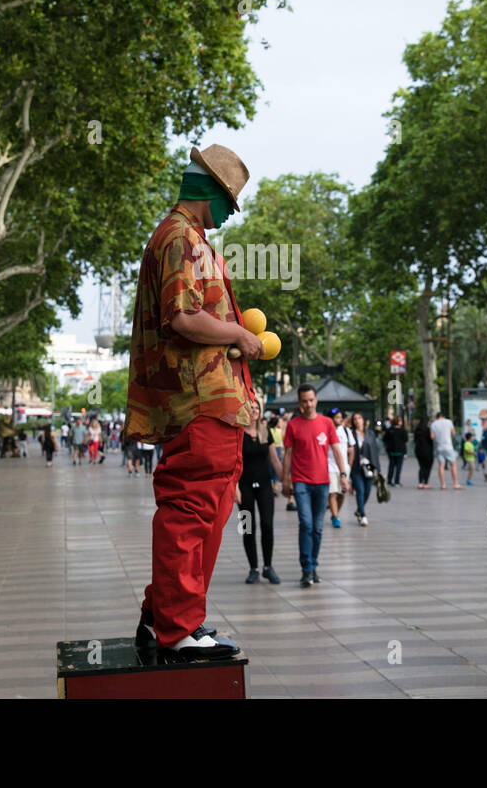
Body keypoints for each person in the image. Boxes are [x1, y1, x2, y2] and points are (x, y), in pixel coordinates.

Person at [125, 145, 257, 662]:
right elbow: (182, 317)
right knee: (191, 510)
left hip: (215, 402)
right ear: (210, 193)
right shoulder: (181, 236)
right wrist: (239, 336)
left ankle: (162, 616)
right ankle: (180, 629)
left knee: (212, 508)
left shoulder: (183, 237)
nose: (227, 214)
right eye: (228, 203)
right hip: (199, 399)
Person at [281, 384, 349, 587]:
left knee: (318, 528)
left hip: (322, 482)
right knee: (306, 524)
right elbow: (288, 454)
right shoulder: (293, 425)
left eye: (311, 400)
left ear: (316, 400)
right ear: (300, 403)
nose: (308, 404)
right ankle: (306, 568)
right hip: (301, 481)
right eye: (304, 401)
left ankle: (313, 565)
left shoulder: (327, 423)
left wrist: (343, 474)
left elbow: (336, 450)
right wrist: (286, 479)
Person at [238, 399, 282, 584]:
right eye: (251, 408)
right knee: (248, 527)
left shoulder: (265, 432)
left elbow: (274, 460)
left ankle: (268, 567)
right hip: (244, 487)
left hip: (265, 486)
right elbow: (233, 463)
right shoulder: (238, 434)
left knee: (267, 524)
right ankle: (253, 568)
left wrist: (285, 482)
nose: (254, 411)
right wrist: (233, 489)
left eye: (257, 408)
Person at [347, 411, 379, 525]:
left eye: (359, 418)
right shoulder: (351, 434)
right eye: (355, 419)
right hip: (355, 467)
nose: (357, 420)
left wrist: (377, 469)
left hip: (368, 466)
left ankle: (359, 509)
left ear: (363, 420)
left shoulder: (370, 433)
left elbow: (375, 451)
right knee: (359, 490)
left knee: (367, 491)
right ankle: (363, 514)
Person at [327, 409, 354, 527]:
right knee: (332, 492)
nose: (339, 419)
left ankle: (335, 512)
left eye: (340, 417)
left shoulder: (346, 431)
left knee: (342, 493)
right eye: (336, 417)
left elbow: (352, 450)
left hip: (344, 467)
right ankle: (336, 517)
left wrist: (349, 466)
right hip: (330, 465)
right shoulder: (327, 430)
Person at [429, 411, 460, 490]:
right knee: (453, 465)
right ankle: (455, 484)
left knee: (441, 466)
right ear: (443, 416)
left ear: (437, 417)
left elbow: (432, 437)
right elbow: (453, 433)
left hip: (439, 447)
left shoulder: (433, 424)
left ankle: (443, 484)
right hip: (448, 446)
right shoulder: (448, 422)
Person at [382, 416, 407, 487]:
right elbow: (405, 440)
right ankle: (397, 481)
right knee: (399, 467)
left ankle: (389, 481)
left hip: (391, 451)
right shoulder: (402, 430)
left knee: (391, 466)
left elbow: (384, 439)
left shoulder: (389, 430)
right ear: (398, 422)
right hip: (400, 451)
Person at [412, 416, 433, 488]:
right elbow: (431, 439)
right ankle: (426, 483)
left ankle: (420, 483)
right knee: (428, 467)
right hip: (427, 450)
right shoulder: (428, 430)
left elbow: (414, 441)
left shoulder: (417, 430)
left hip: (418, 450)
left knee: (421, 467)